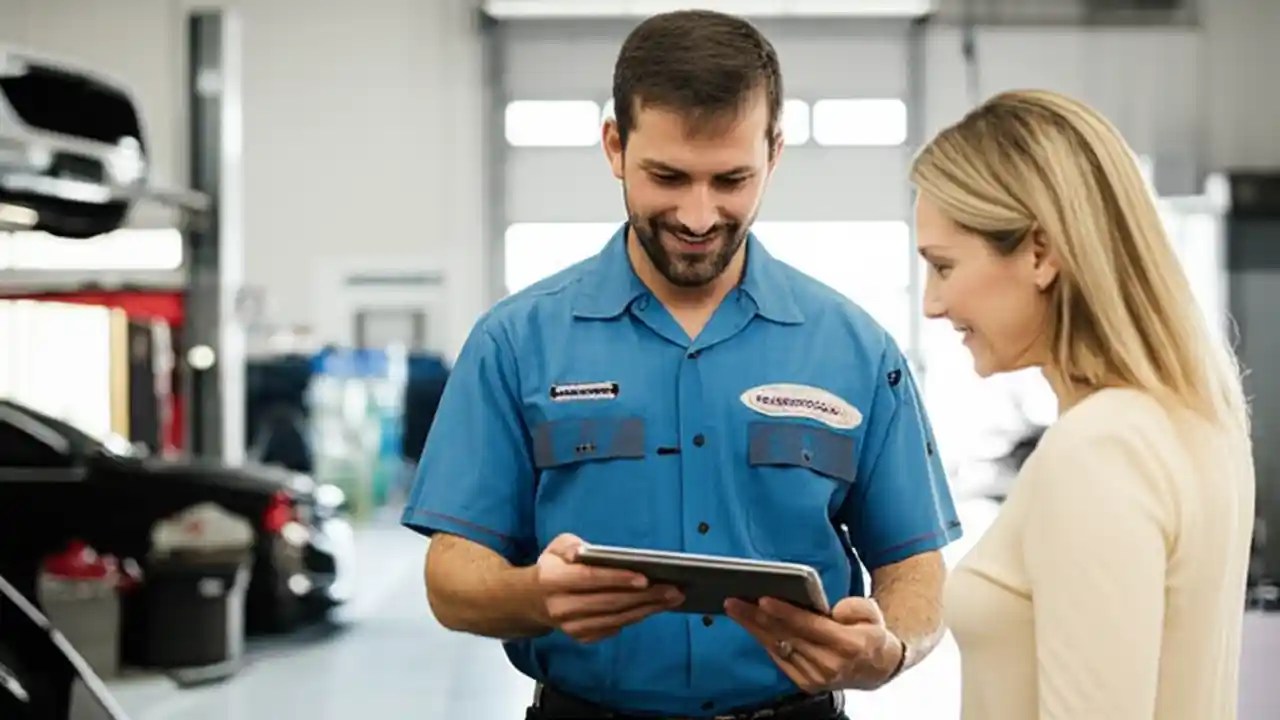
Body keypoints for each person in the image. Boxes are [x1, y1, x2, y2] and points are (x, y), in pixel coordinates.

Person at [402, 9, 962, 720]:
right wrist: (533, 596)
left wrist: (889, 650)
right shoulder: (515, 343)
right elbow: (452, 577)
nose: (699, 216)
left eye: (731, 180)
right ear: (614, 146)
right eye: (668, 176)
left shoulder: (854, 348)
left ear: (775, 154)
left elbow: (915, 566)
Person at [914, 89, 1256, 720]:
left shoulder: (1100, 447)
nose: (932, 304)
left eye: (943, 267)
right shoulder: (1193, 423)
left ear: (1040, 253)